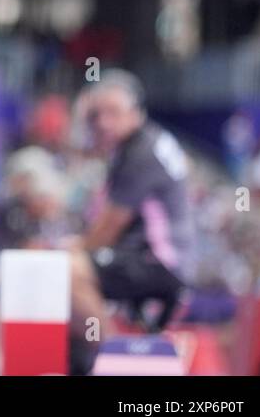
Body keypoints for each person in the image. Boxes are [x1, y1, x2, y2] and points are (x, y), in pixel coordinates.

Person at [67, 70, 194, 369]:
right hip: (155, 258)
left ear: (136, 112)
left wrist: (75, 248)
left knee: (65, 271)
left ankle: (120, 360)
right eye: (98, 115)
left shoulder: (140, 153)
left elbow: (108, 228)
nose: (104, 123)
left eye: (114, 113)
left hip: (162, 263)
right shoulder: (140, 144)